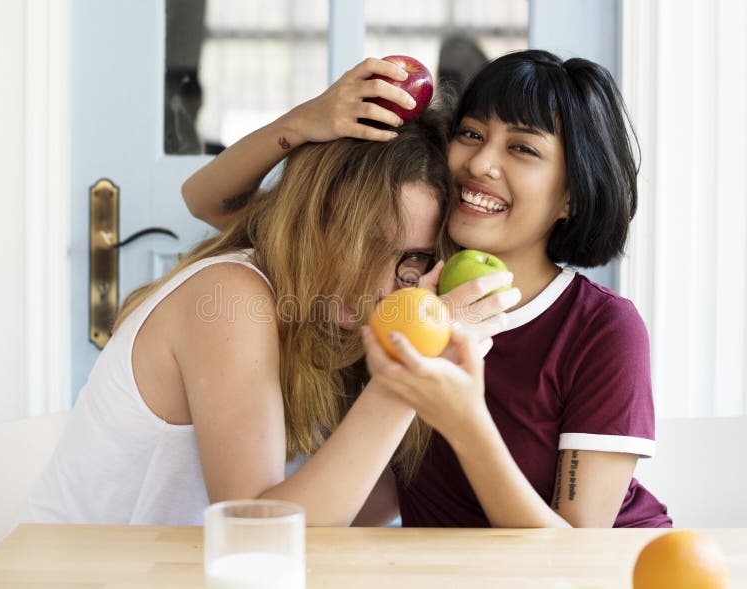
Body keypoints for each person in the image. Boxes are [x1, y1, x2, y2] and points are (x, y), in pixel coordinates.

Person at [182, 50, 671, 528]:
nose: (481, 163)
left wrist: (463, 421)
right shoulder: (401, 275)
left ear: (570, 195)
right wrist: (306, 120)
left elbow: (576, 552)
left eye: (522, 148)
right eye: (472, 134)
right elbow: (207, 201)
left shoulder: (601, 328)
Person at [21, 103, 515, 527]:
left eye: (410, 261)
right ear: (307, 218)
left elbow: (341, 508)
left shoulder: (333, 318)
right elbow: (256, 530)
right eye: (363, 245)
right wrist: (402, 380)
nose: (378, 286)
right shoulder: (231, 294)